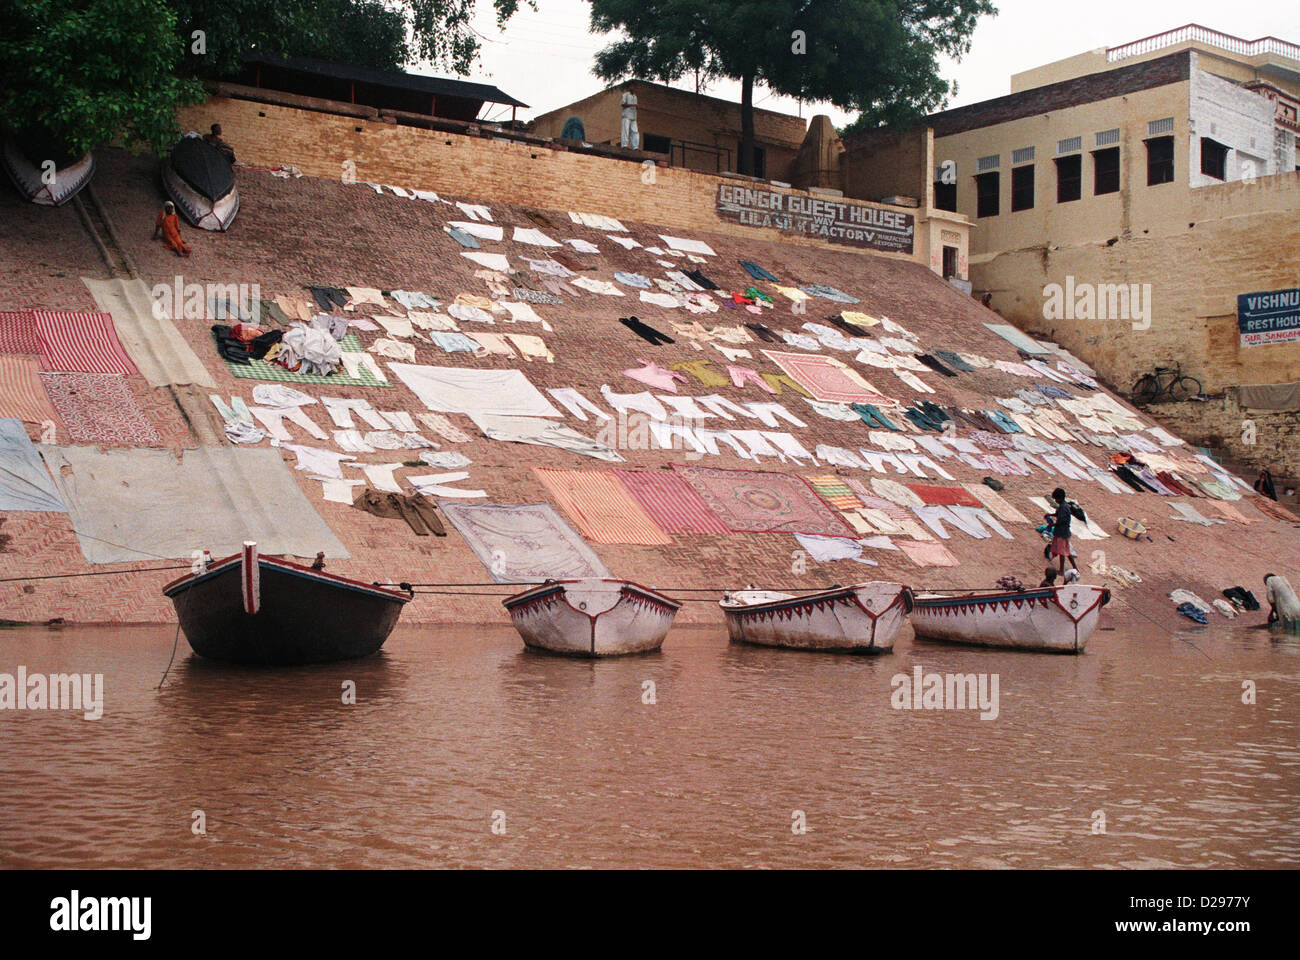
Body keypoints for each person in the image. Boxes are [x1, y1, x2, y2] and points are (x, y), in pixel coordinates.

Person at [1046, 487, 1074, 577]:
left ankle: (1061, 570)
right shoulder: (1063, 506)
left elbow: (1061, 521)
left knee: (1062, 552)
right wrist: (1050, 515)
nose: (1055, 500)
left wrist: (1052, 525)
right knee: (1067, 551)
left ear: (1060, 498)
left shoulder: (1063, 507)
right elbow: (1058, 515)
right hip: (1063, 532)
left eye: (1056, 499)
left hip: (1062, 532)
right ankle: (1075, 567)